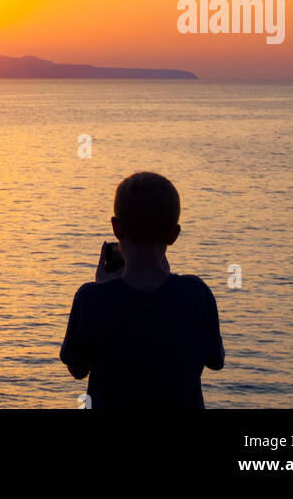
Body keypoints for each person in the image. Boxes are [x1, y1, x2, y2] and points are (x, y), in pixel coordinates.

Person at [60, 170, 224, 408]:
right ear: (174, 234)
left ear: (117, 229)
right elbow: (215, 361)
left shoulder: (91, 299)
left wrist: (102, 290)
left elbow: (77, 369)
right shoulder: (196, 294)